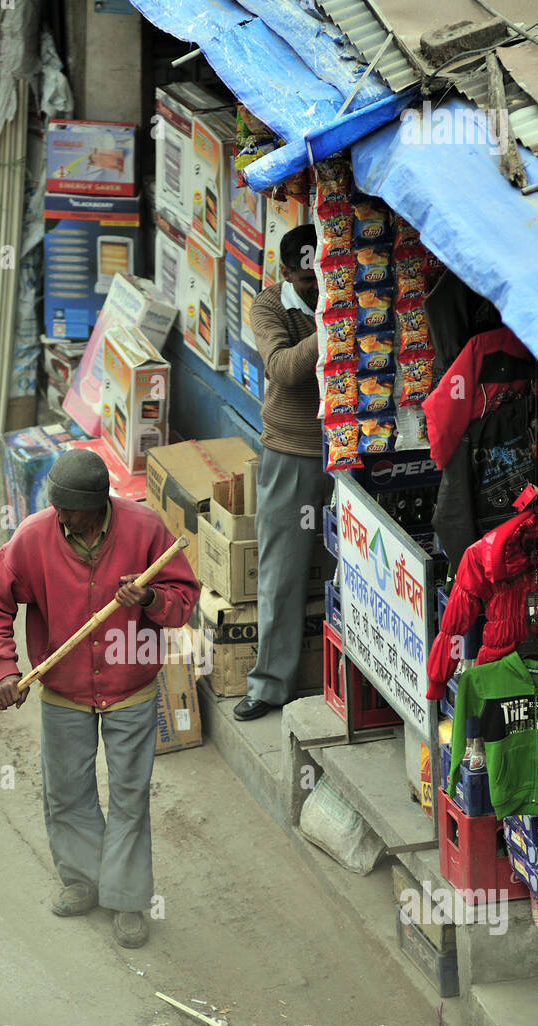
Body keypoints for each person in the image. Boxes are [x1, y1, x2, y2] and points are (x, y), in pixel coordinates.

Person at [0, 448, 200, 948]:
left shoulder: (144, 530)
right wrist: (6, 668)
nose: (62, 517)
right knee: (68, 792)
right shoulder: (34, 536)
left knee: (128, 799)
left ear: (99, 506)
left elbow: (183, 601)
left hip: (130, 688)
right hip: (64, 690)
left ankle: (126, 899)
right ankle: (82, 880)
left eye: (71, 510)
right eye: (58, 507)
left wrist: (150, 599)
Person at [234, 221, 329, 720]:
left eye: (324, 278)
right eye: (308, 281)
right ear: (288, 272)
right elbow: (285, 369)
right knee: (282, 575)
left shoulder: (346, 289)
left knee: (352, 572)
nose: (317, 289)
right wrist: (332, 321)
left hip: (351, 455)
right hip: (293, 454)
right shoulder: (270, 304)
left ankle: (348, 687)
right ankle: (270, 686)